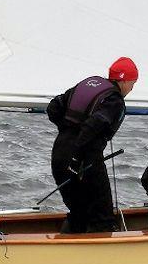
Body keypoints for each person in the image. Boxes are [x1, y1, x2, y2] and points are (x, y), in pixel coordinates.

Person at [47, 57, 138, 233]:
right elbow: (91, 127)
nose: (132, 88)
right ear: (125, 80)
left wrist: (66, 130)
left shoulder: (90, 84)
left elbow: (53, 108)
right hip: (84, 160)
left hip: (59, 152)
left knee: (78, 212)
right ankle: (101, 257)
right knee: (101, 216)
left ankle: (68, 252)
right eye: (133, 84)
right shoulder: (115, 100)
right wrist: (76, 157)